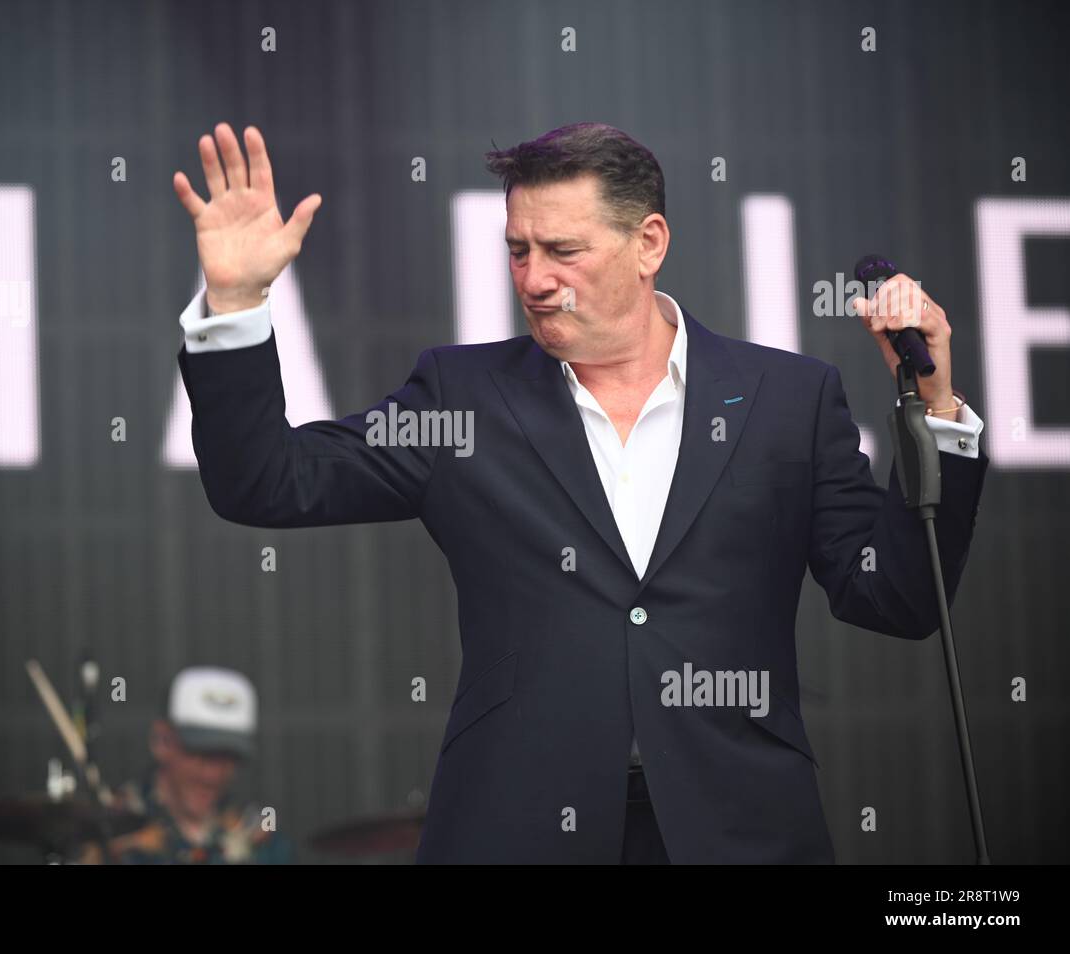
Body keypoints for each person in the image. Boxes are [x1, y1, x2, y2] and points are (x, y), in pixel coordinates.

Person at [169, 122, 987, 864]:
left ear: (648, 242)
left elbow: (898, 599)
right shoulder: (464, 398)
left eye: (563, 250)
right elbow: (268, 482)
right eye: (518, 250)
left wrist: (940, 415)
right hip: (515, 825)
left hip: (739, 829)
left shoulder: (787, 399)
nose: (534, 278)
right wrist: (236, 303)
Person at [79, 666, 292, 864]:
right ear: (162, 740)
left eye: (228, 756)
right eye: (200, 753)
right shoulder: (113, 832)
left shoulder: (261, 840)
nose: (213, 773)